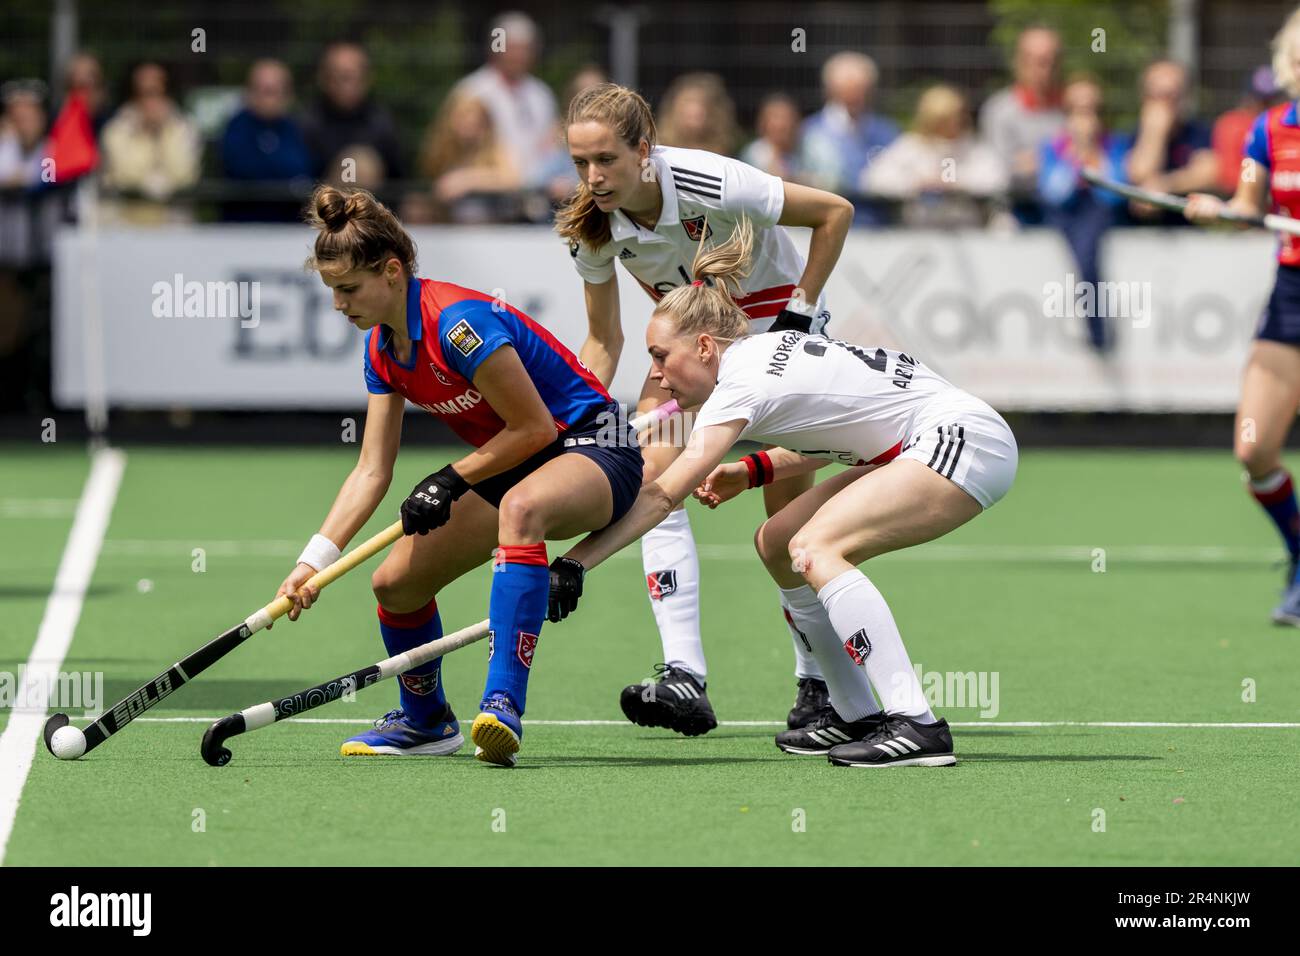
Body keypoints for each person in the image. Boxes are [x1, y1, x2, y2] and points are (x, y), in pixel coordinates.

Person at [546, 219, 1018, 766]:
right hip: (925, 439)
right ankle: (854, 713)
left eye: (659, 357)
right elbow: (846, 431)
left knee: (815, 548)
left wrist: (575, 563)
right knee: (779, 540)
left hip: (963, 440)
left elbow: (660, 496)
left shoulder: (739, 384)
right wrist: (751, 472)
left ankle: (917, 724)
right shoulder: (763, 356)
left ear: (704, 346)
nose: (655, 375)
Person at [275, 184, 643, 767]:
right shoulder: (381, 350)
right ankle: (426, 723)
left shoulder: (457, 324)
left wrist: (449, 480)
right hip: (517, 464)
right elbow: (371, 469)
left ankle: (502, 705)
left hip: (596, 448)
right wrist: (313, 562)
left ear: (392, 272)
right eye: (332, 292)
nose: (339, 305)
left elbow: (535, 427)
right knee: (395, 585)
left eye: (348, 289)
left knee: (522, 510)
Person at [557, 82, 855, 735]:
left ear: (644, 149)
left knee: (790, 537)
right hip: (691, 350)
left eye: (605, 159)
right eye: (580, 162)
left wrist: (802, 309)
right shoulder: (591, 227)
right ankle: (683, 676)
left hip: (774, 337)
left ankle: (820, 686)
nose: (593, 177)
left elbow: (835, 210)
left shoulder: (709, 181)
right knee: (651, 476)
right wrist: (576, 414)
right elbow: (605, 340)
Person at [1184, 7, 1300, 624]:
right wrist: (1218, 211)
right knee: (1254, 449)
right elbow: (1247, 205)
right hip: (1292, 294)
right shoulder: (1268, 131)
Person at [1038, 74, 1128, 352]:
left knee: (1088, 253)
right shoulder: (1052, 148)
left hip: (1098, 215)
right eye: (1078, 111)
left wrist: (1093, 154)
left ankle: (1097, 329)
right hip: (1064, 215)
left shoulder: (1114, 146)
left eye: (1092, 111)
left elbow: (1113, 195)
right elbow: (1054, 193)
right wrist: (1075, 154)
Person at [863, 84, 1009, 228]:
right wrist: (916, 183)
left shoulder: (973, 148)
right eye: (944, 120)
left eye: (955, 117)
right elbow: (874, 180)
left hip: (966, 228)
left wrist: (957, 184)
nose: (952, 124)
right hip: (916, 229)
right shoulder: (910, 146)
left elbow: (996, 181)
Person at [452, 11, 558, 189]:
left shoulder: (541, 94)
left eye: (525, 49)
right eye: (512, 48)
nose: (519, 56)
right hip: (482, 189)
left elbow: (549, 146)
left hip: (534, 190)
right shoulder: (472, 90)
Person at [98, 61, 200, 222]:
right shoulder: (115, 130)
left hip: (172, 226)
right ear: (133, 95)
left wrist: (162, 131)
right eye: (143, 93)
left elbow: (184, 174)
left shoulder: (184, 128)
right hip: (124, 225)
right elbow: (123, 174)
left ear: (167, 93)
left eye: (156, 92)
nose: (150, 101)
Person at [1122, 59, 1218, 225]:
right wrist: (1155, 132)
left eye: (1172, 95)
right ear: (1145, 97)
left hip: (1189, 231)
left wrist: (1165, 185)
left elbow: (1208, 173)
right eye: (1158, 95)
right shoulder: (1133, 134)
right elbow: (1138, 173)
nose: (1165, 103)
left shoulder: (1198, 132)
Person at [978, 25, 1065, 209]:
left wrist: (1039, 160)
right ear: (1019, 62)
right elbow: (999, 170)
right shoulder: (999, 110)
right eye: (1038, 61)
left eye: (1051, 61)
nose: (1045, 69)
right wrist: (1056, 159)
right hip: (1016, 209)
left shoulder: (1071, 107)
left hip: (1066, 207)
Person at [220, 59, 312, 222]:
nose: (266, 97)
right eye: (259, 89)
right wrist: (288, 179)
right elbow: (243, 169)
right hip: (241, 228)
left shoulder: (297, 127)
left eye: (272, 91)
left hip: (291, 227)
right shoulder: (236, 127)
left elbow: (304, 169)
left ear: (288, 94)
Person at [800, 52, 898, 198]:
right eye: (847, 91)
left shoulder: (887, 132)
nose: (854, 97)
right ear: (830, 91)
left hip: (879, 216)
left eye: (860, 90)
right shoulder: (808, 131)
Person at [301, 42, 404, 181]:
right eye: (340, 77)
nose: (347, 85)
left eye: (353, 77)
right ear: (324, 79)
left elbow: (398, 180)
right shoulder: (308, 125)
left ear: (367, 79)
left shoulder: (382, 124)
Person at [416, 91, 520, 223]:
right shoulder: (443, 150)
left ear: (485, 125)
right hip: (449, 226)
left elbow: (512, 179)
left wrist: (465, 180)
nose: (467, 129)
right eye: (462, 121)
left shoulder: (497, 149)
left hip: (492, 226)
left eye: (473, 124)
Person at [1212, 66, 1285, 196]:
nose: (1267, 105)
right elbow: (1229, 177)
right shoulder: (1232, 124)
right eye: (1262, 100)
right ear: (1248, 98)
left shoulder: (1284, 123)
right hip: (1242, 199)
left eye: (1272, 100)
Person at [657, 72, 739, 156]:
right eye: (688, 101)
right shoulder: (658, 149)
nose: (695, 110)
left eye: (702, 102)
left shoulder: (726, 153)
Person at [740, 92, 806, 181]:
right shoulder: (754, 153)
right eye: (775, 117)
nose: (781, 124)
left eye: (786, 117)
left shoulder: (801, 152)